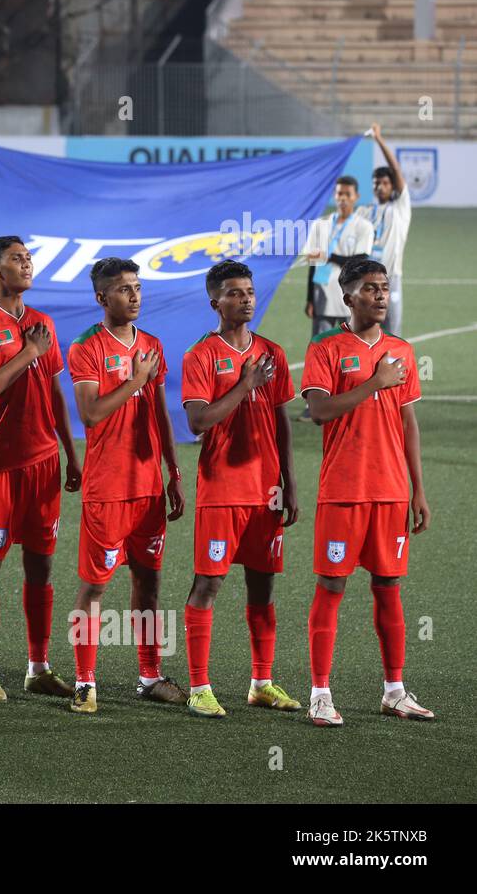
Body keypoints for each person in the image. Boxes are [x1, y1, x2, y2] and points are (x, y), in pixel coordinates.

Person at [300, 258, 432, 727]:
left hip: (392, 491)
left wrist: (418, 490)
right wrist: (374, 382)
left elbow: (408, 423)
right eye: (370, 288)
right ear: (348, 298)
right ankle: (319, 692)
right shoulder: (327, 347)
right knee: (332, 586)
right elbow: (318, 411)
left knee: (388, 588)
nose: (380, 295)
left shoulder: (403, 351)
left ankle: (394, 691)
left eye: (384, 287)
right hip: (343, 489)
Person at [0, 236, 81, 703]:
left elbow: (54, 395)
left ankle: (38, 666)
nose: (26, 264)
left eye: (29, 258)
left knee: (41, 566)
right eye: (16, 258)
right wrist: (27, 353)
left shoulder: (42, 323)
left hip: (44, 462)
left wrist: (70, 454)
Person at [179, 260, 301, 718]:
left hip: (265, 491)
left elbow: (281, 420)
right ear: (216, 302)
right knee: (208, 584)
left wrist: (289, 483)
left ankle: (262, 683)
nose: (246, 298)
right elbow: (197, 421)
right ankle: (198, 686)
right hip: (222, 490)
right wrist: (245, 384)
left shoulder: (271, 351)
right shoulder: (201, 355)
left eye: (249, 291)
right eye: (234, 293)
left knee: (263, 588)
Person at [67, 257, 187, 714]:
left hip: (147, 489)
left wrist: (172, 473)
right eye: (123, 289)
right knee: (95, 587)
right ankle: (84, 682)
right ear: (102, 298)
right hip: (107, 488)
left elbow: (159, 413)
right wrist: (135, 377)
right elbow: (91, 415)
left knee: (149, 582)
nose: (134, 295)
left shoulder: (152, 344)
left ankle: (151, 675)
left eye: (137, 287)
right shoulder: (86, 348)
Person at [301, 176, 374, 420]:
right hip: (322, 294)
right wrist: (309, 298)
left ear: (356, 197)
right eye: (339, 194)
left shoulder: (364, 227)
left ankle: (351, 401)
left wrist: (329, 255)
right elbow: (313, 263)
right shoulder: (320, 225)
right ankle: (313, 404)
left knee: (351, 350)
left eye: (347, 194)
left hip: (349, 298)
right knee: (319, 352)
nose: (342, 198)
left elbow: (361, 259)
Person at [358, 123, 411, 335]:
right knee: (364, 334)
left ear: (392, 186)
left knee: (392, 335)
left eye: (384, 183)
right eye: (375, 183)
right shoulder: (365, 211)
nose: (379, 187)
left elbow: (396, 169)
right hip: (365, 282)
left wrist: (379, 139)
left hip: (390, 280)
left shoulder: (400, 207)